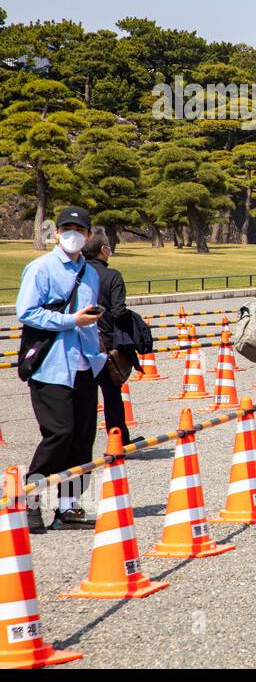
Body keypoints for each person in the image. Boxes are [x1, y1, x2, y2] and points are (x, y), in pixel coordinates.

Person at [17, 206, 105, 532]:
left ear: (87, 235)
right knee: (59, 434)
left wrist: (98, 352)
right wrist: (72, 320)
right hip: (50, 366)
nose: (72, 234)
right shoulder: (41, 268)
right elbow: (26, 311)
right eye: (66, 228)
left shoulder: (91, 273)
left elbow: (88, 320)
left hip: (84, 365)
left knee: (83, 440)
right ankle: (29, 499)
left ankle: (69, 508)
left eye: (79, 230)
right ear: (56, 232)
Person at [82, 229, 131, 449]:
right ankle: (118, 439)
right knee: (112, 396)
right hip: (106, 342)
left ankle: (81, 444)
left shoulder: (78, 273)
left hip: (81, 341)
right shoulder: (112, 276)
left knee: (84, 396)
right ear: (104, 249)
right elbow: (119, 311)